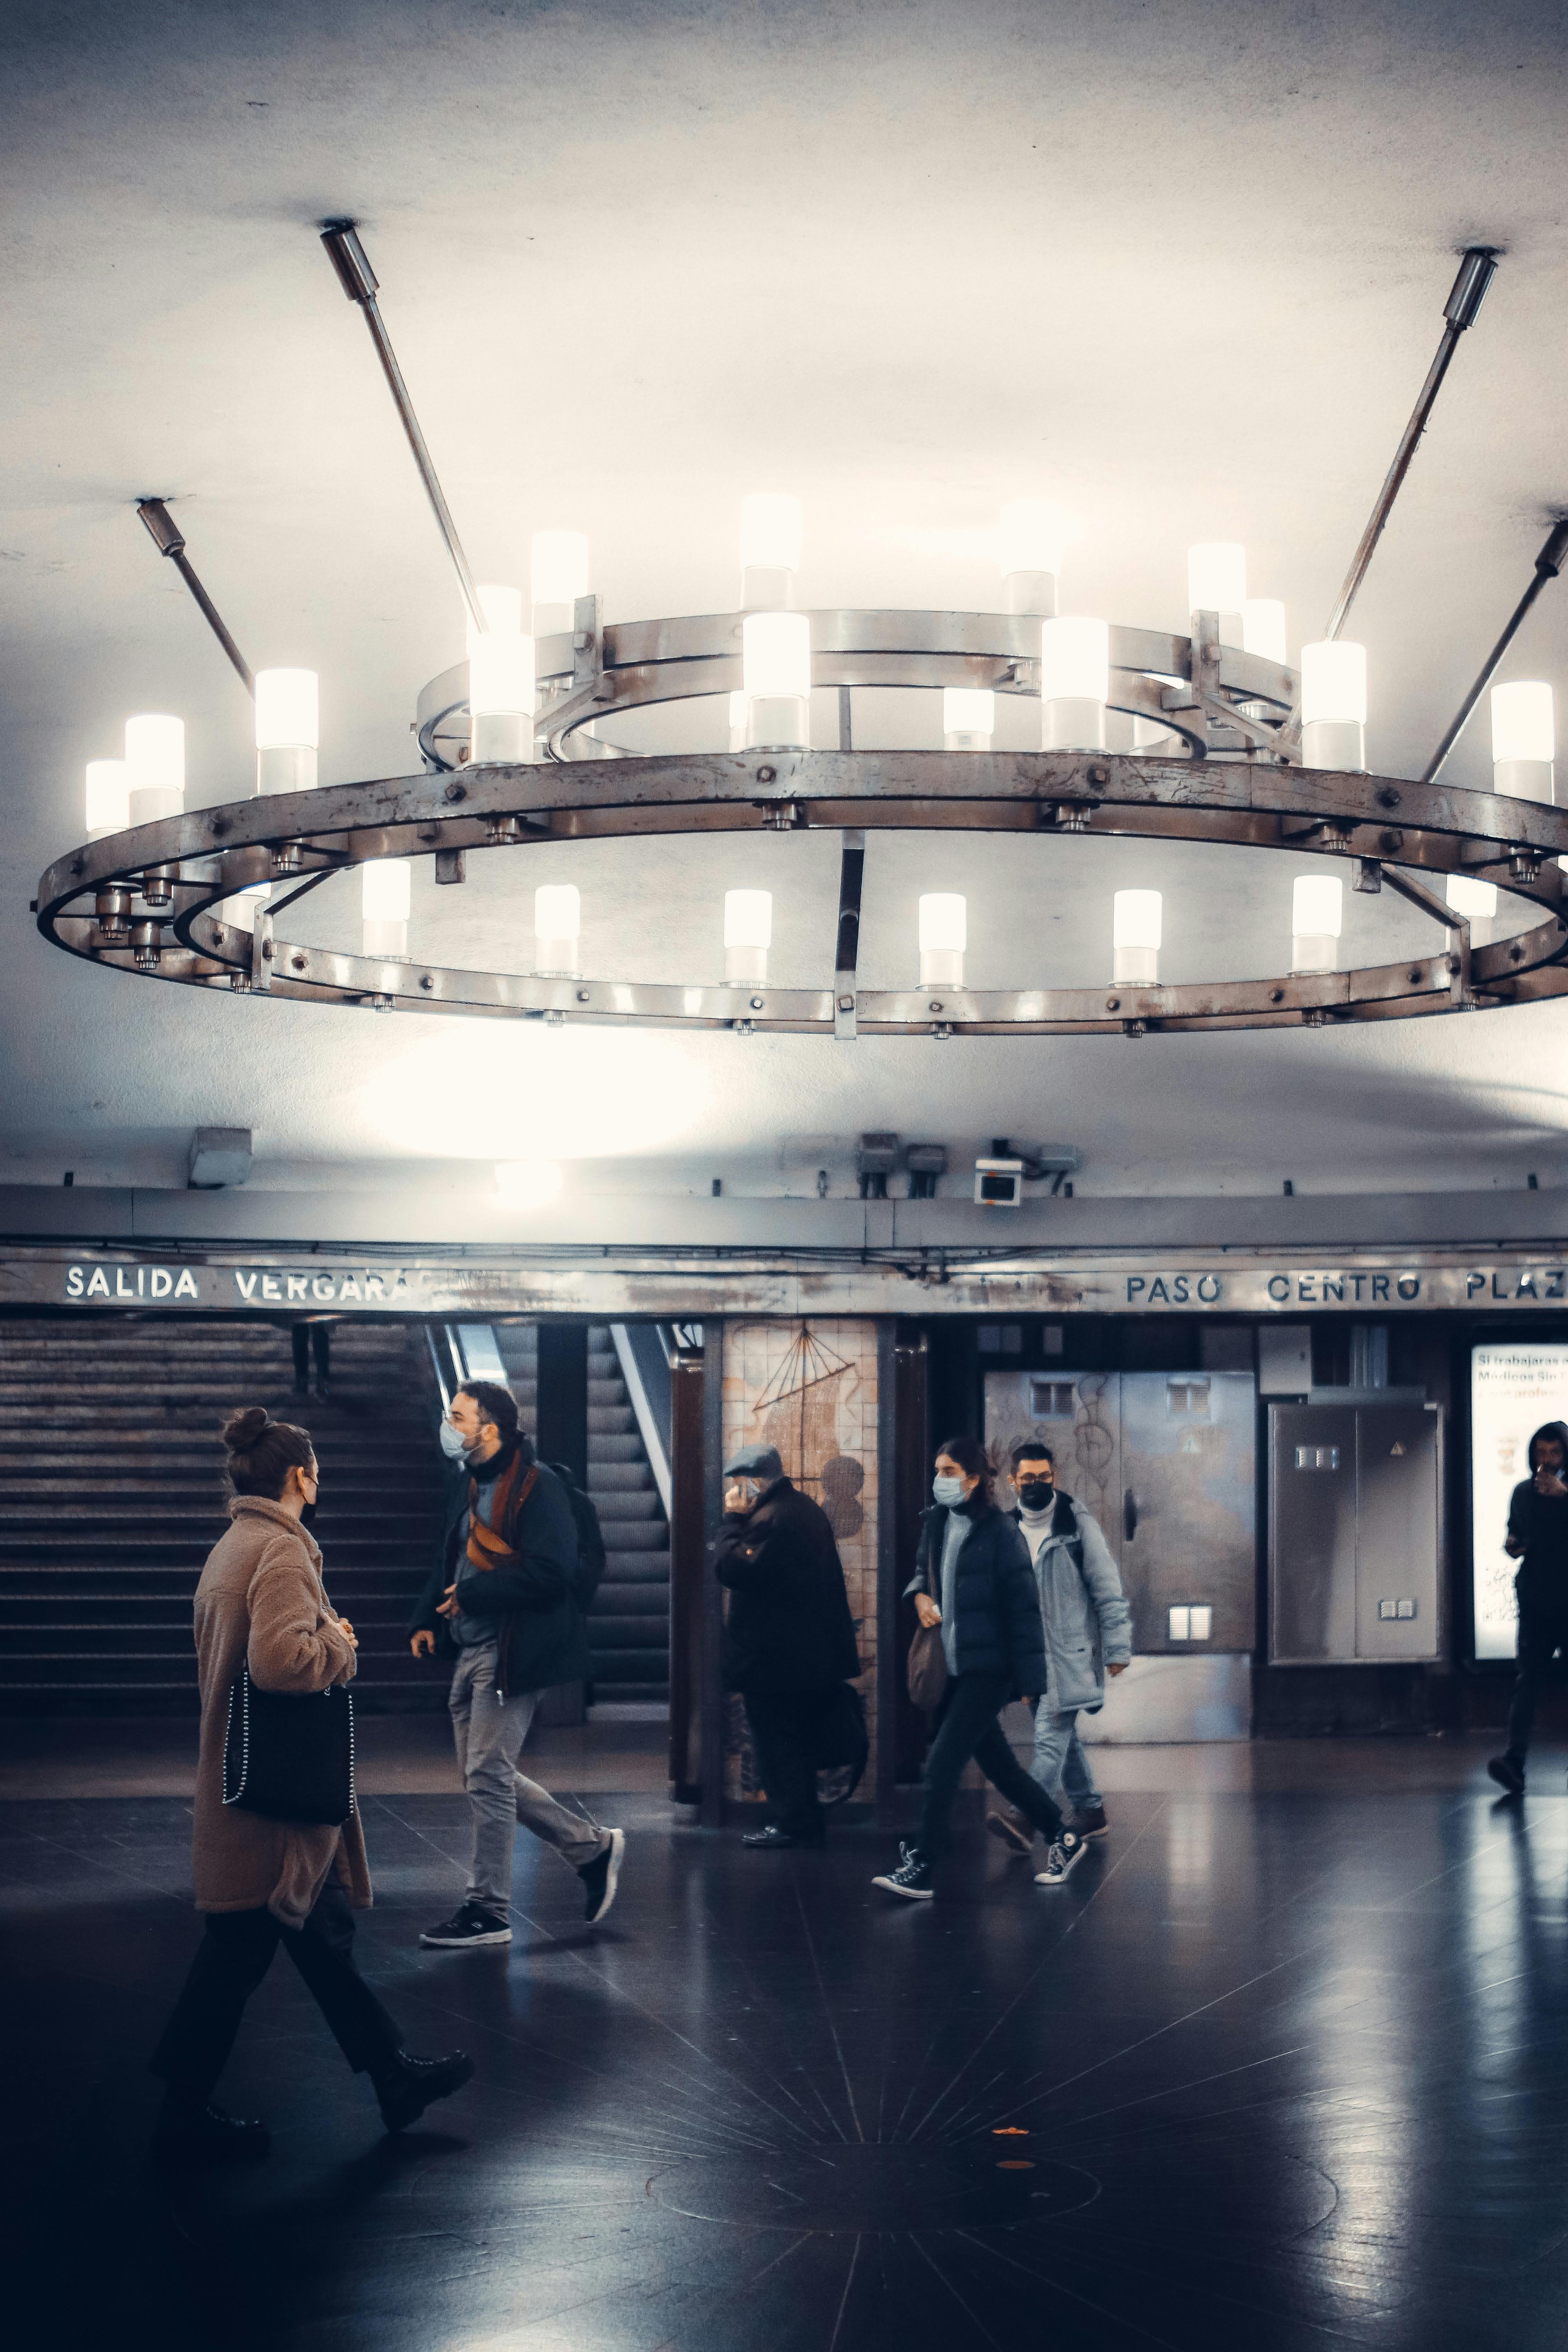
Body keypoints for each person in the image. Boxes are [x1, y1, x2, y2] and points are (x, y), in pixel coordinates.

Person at [149, 1407, 473, 2163]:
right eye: (317, 1466)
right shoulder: (284, 1554)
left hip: (246, 1788)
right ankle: (180, 2112)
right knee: (238, 1955)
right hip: (274, 1804)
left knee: (318, 1937)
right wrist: (339, 1641)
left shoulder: (232, 1546)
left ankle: (393, 2078)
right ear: (302, 1475)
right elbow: (282, 1663)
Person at [410, 1380, 624, 1945]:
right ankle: (593, 1848)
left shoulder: (538, 1486)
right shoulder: (471, 1483)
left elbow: (551, 1572)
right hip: (471, 1646)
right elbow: (450, 1557)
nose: (448, 1424)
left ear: (491, 1428)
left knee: (487, 1775)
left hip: (512, 1652)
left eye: (457, 1417)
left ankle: (489, 1909)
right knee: (485, 1775)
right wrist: (426, 1619)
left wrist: (475, 1598)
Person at [873, 1434, 1085, 1901]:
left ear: (972, 1480)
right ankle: (1062, 1835)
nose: (938, 1480)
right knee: (1003, 1770)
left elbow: (1023, 1609)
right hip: (951, 1666)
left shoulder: (999, 1533)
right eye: (936, 1471)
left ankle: (923, 1866)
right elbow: (919, 1574)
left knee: (943, 1765)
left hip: (989, 1669)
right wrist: (920, 1597)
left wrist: (1031, 1683)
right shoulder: (934, 1524)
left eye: (948, 1472)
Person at [713, 1440, 862, 1851]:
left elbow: (732, 1568)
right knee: (795, 1740)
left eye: (741, 1483)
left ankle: (793, 1822)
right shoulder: (801, 1509)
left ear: (757, 1481)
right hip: (805, 1657)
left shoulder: (773, 1519)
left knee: (777, 1741)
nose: (736, 1492)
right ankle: (802, 1819)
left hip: (777, 1661)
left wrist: (729, 1522)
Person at [987, 1440, 1132, 1853]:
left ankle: (1024, 1816)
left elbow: (1107, 1588)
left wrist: (1118, 1647)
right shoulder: (1006, 1530)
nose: (1036, 1485)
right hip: (1028, 1657)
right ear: (1014, 1482)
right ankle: (1090, 1810)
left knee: (1050, 1735)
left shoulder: (1075, 1525)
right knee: (1059, 1736)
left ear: (1055, 1477)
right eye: (1028, 1478)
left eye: (1044, 1477)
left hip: (1070, 1654)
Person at [1489, 1419, 1568, 1795]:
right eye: (1541, 1452)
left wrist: (1563, 1495)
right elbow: (1516, 1532)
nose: (1547, 1460)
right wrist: (1513, 1543)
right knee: (1528, 1680)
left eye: (1555, 1452)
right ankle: (1514, 1763)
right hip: (1537, 1598)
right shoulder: (1523, 1492)